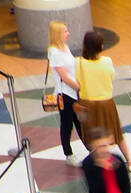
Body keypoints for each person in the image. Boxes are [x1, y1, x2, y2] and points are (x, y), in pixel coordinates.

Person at [74, 31, 131, 171]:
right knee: (117, 134)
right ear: (100, 46)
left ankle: (97, 164)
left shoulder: (78, 63)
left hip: (86, 104)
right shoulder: (107, 62)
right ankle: (130, 162)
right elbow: (111, 76)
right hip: (106, 103)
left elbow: (77, 82)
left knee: (91, 136)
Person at [47, 21, 85, 165]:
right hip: (65, 94)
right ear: (58, 34)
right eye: (65, 31)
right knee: (68, 124)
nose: (68, 33)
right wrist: (78, 87)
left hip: (73, 92)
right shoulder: (54, 51)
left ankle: (90, 148)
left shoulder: (64, 47)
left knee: (80, 122)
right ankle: (68, 154)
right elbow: (63, 76)